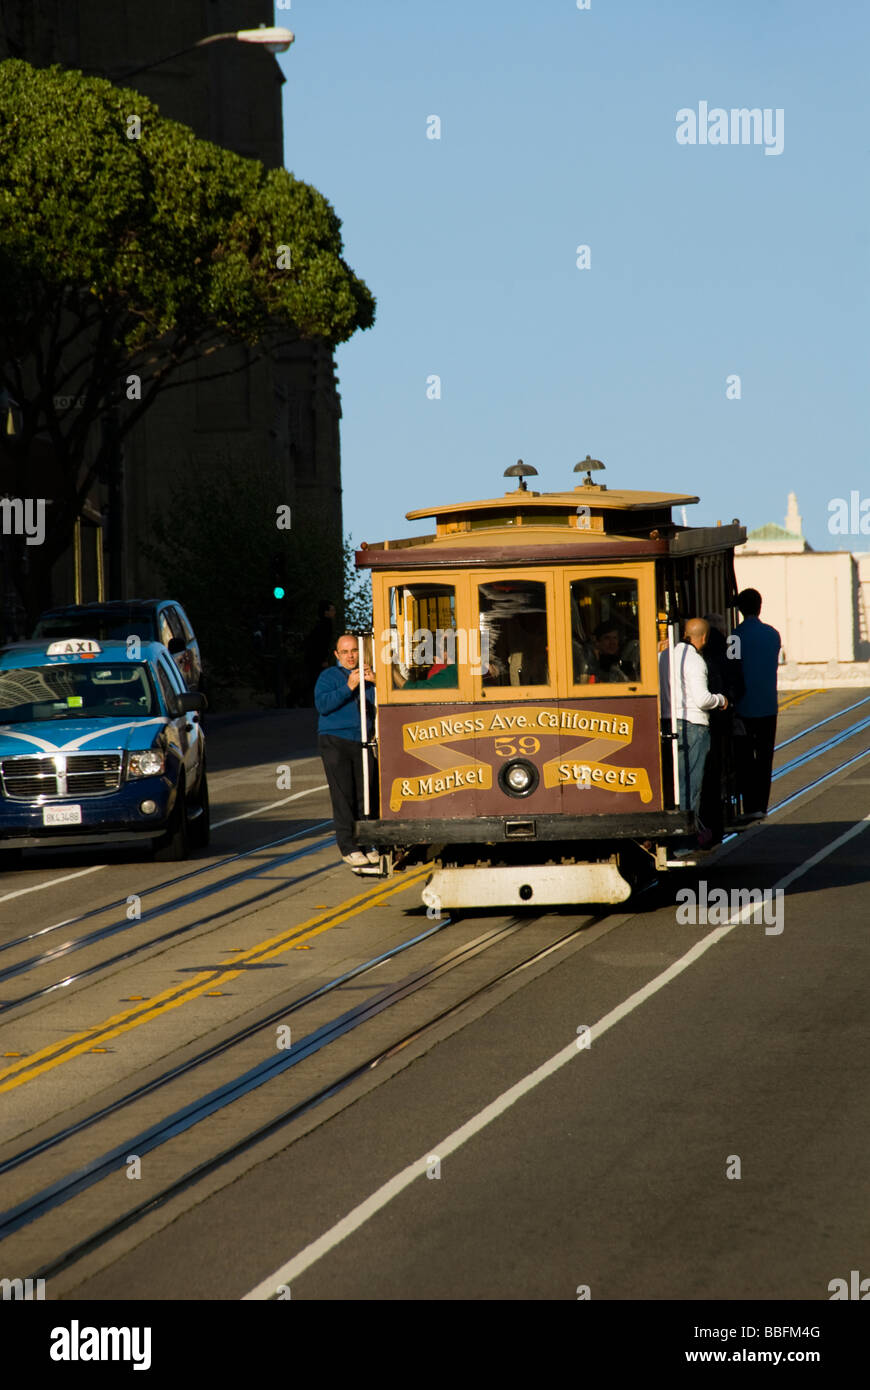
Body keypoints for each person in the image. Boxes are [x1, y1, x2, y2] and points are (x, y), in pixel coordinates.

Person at [314, 633, 379, 870]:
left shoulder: (368, 675)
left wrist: (377, 683)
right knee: (344, 796)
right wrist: (348, 686)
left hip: (362, 741)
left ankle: (368, 842)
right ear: (337, 655)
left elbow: (378, 704)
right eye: (345, 652)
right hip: (335, 740)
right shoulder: (329, 676)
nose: (350, 656)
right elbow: (322, 705)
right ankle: (349, 847)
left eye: (354, 651)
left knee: (367, 794)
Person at [659, 618, 728, 836]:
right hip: (692, 727)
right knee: (691, 785)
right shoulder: (695, 661)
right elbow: (702, 699)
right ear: (704, 638)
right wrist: (720, 700)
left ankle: (675, 835)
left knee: (675, 786)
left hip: (668, 724)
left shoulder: (664, 656)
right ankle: (686, 839)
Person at [733, 588, 781, 817]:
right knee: (764, 758)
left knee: (744, 761)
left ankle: (749, 806)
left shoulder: (734, 637)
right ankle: (762, 806)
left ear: (740, 610)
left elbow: (732, 669)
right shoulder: (773, 634)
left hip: (743, 708)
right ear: (760, 606)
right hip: (768, 705)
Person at [698, 613, 745, 845]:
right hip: (720, 719)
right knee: (717, 775)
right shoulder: (729, 648)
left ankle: (705, 828)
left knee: (704, 776)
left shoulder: (697, 654)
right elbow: (738, 681)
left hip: (702, 720)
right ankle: (716, 828)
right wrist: (729, 703)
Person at [304, 601, 336, 701]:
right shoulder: (326, 625)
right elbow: (322, 643)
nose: (334, 612)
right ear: (326, 612)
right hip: (317, 658)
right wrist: (323, 659)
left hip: (313, 657)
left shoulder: (320, 624)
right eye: (332, 610)